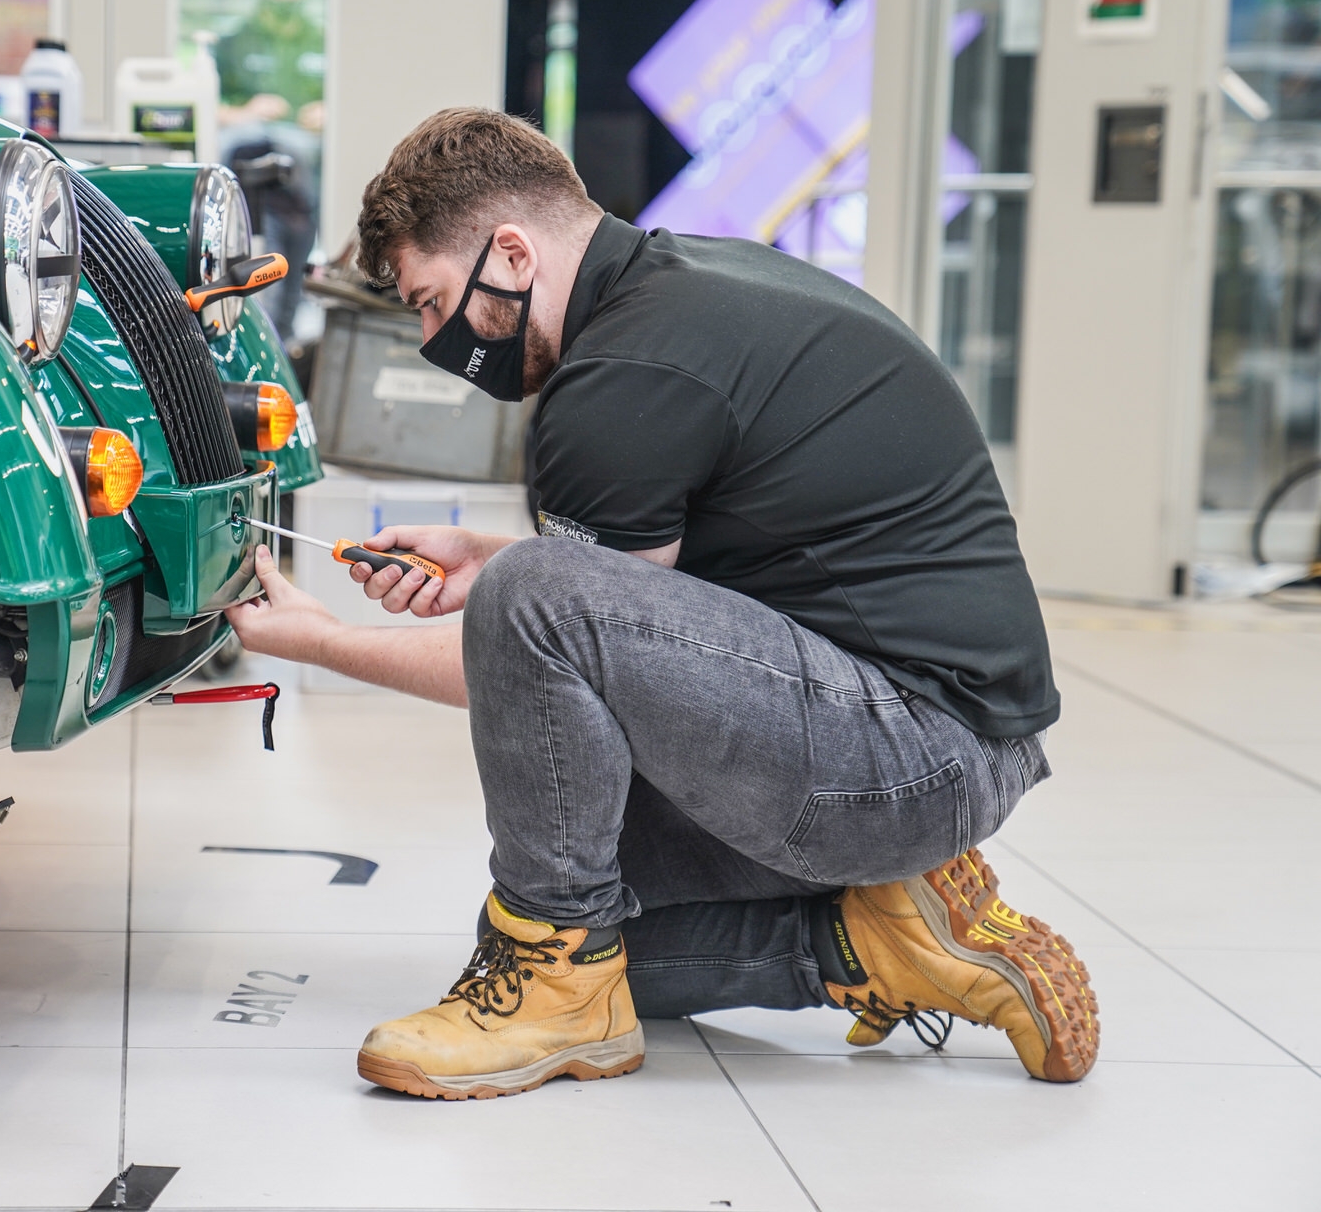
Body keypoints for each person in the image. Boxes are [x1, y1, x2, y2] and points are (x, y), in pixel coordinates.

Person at [225, 108, 1099, 1101]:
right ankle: (865, 937)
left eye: (432, 304)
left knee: (535, 641)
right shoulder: (687, 288)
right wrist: (497, 558)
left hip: (911, 759)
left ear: (511, 251)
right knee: (606, 923)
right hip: (938, 732)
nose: (435, 343)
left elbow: (545, 636)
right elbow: (656, 601)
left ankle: (549, 992)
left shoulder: (617, 383)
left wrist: (329, 639)